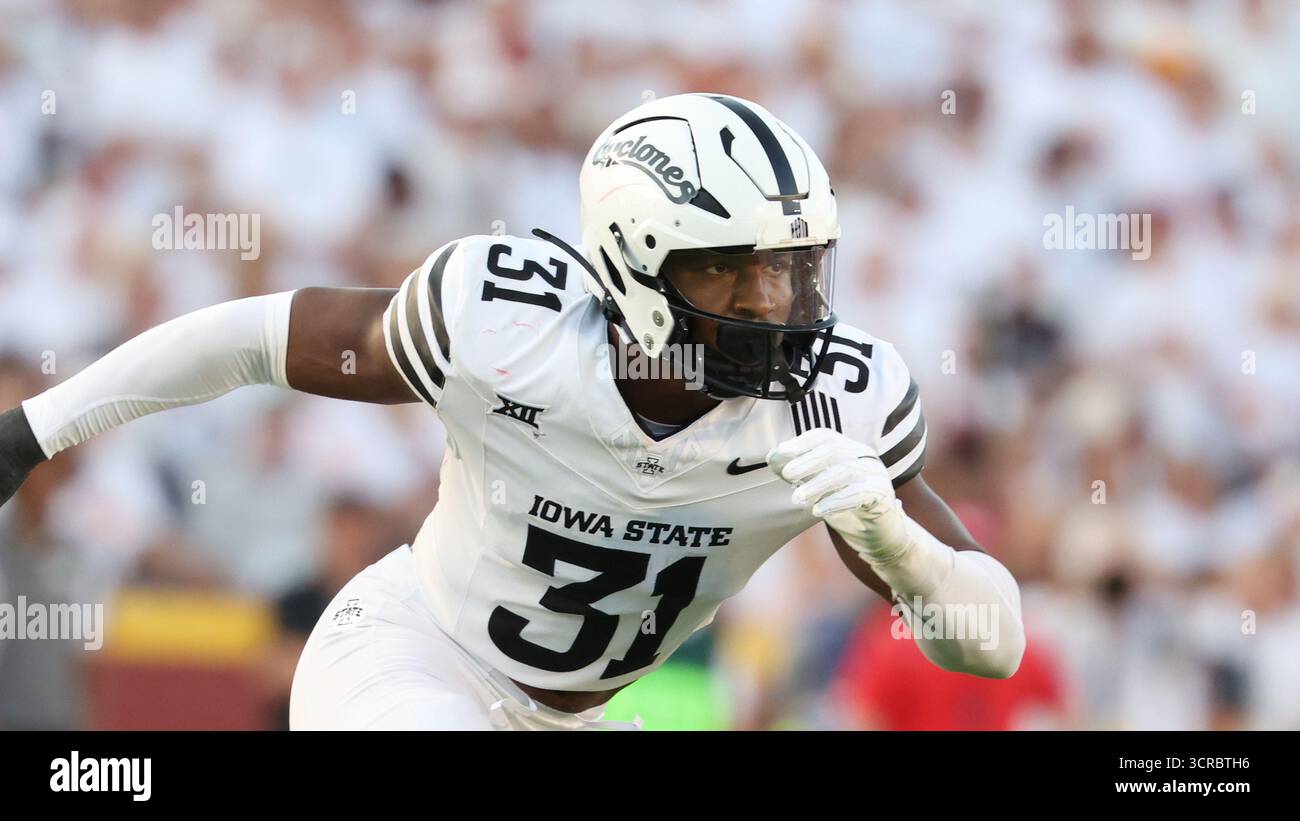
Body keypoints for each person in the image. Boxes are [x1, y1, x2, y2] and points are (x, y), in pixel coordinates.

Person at [0, 93, 1025, 730]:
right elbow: (252, 337)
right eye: (734, 276)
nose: (777, 309)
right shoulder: (509, 329)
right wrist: (32, 431)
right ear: (631, 263)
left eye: (794, 271)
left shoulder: (831, 404)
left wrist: (894, 544)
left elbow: (994, 642)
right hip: (410, 655)